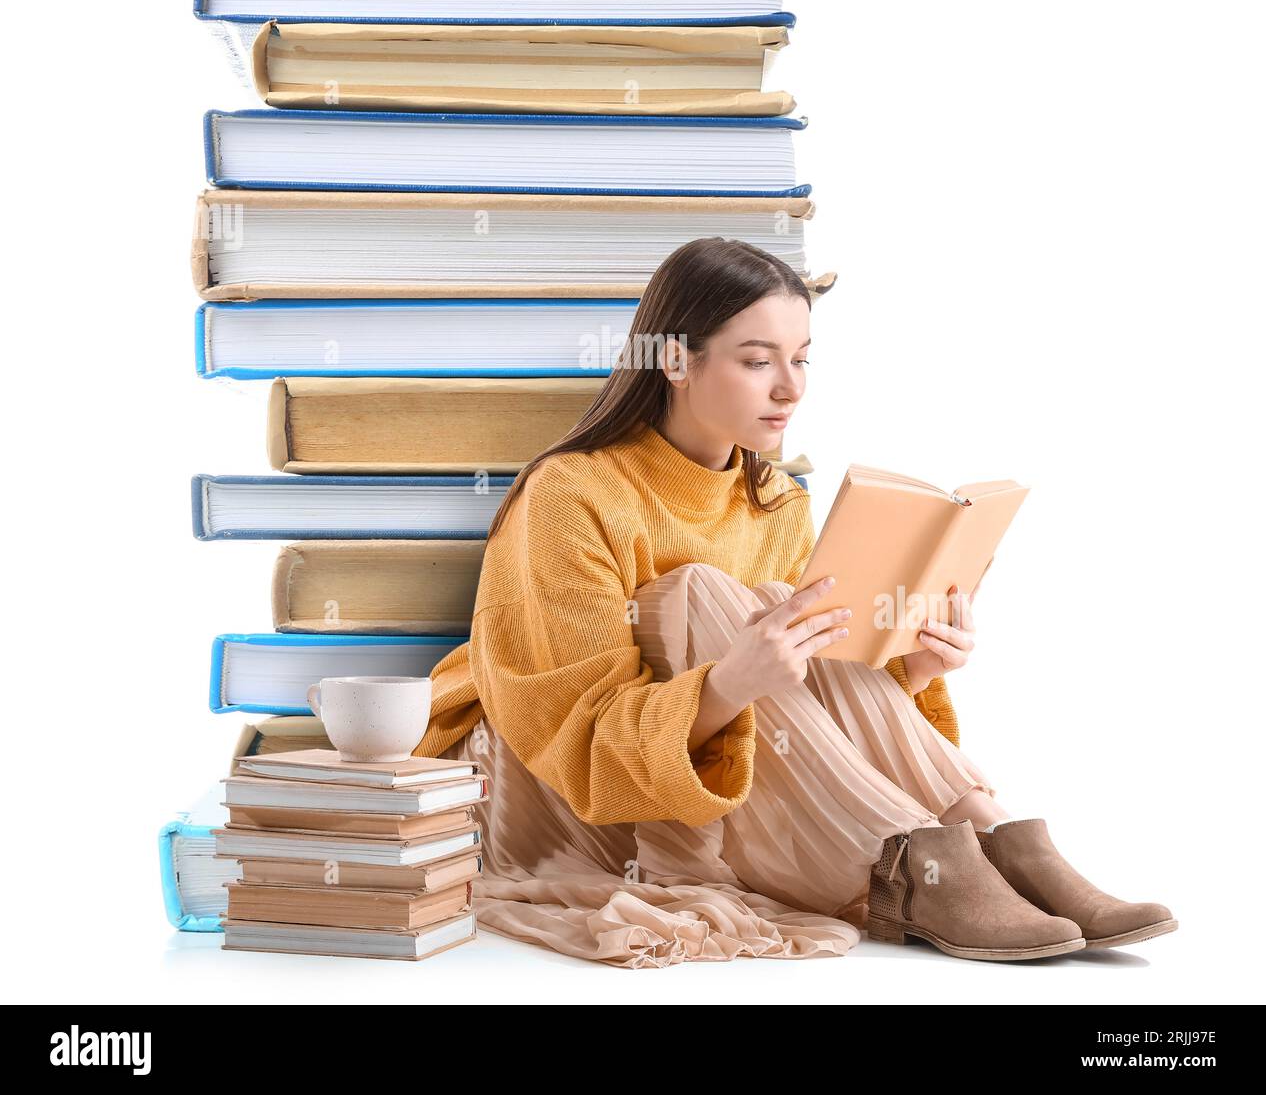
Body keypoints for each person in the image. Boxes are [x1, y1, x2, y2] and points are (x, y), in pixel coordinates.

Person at [413, 238, 1176, 967]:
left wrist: (905, 669)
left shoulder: (775, 499)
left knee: (788, 605)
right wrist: (729, 683)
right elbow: (568, 726)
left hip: (698, 785)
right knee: (703, 594)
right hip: (543, 780)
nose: (791, 387)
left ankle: (991, 834)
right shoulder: (571, 494)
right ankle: (912, 862)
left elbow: (796, 710)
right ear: (675, 361)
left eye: (802, 359)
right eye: (757, 361)